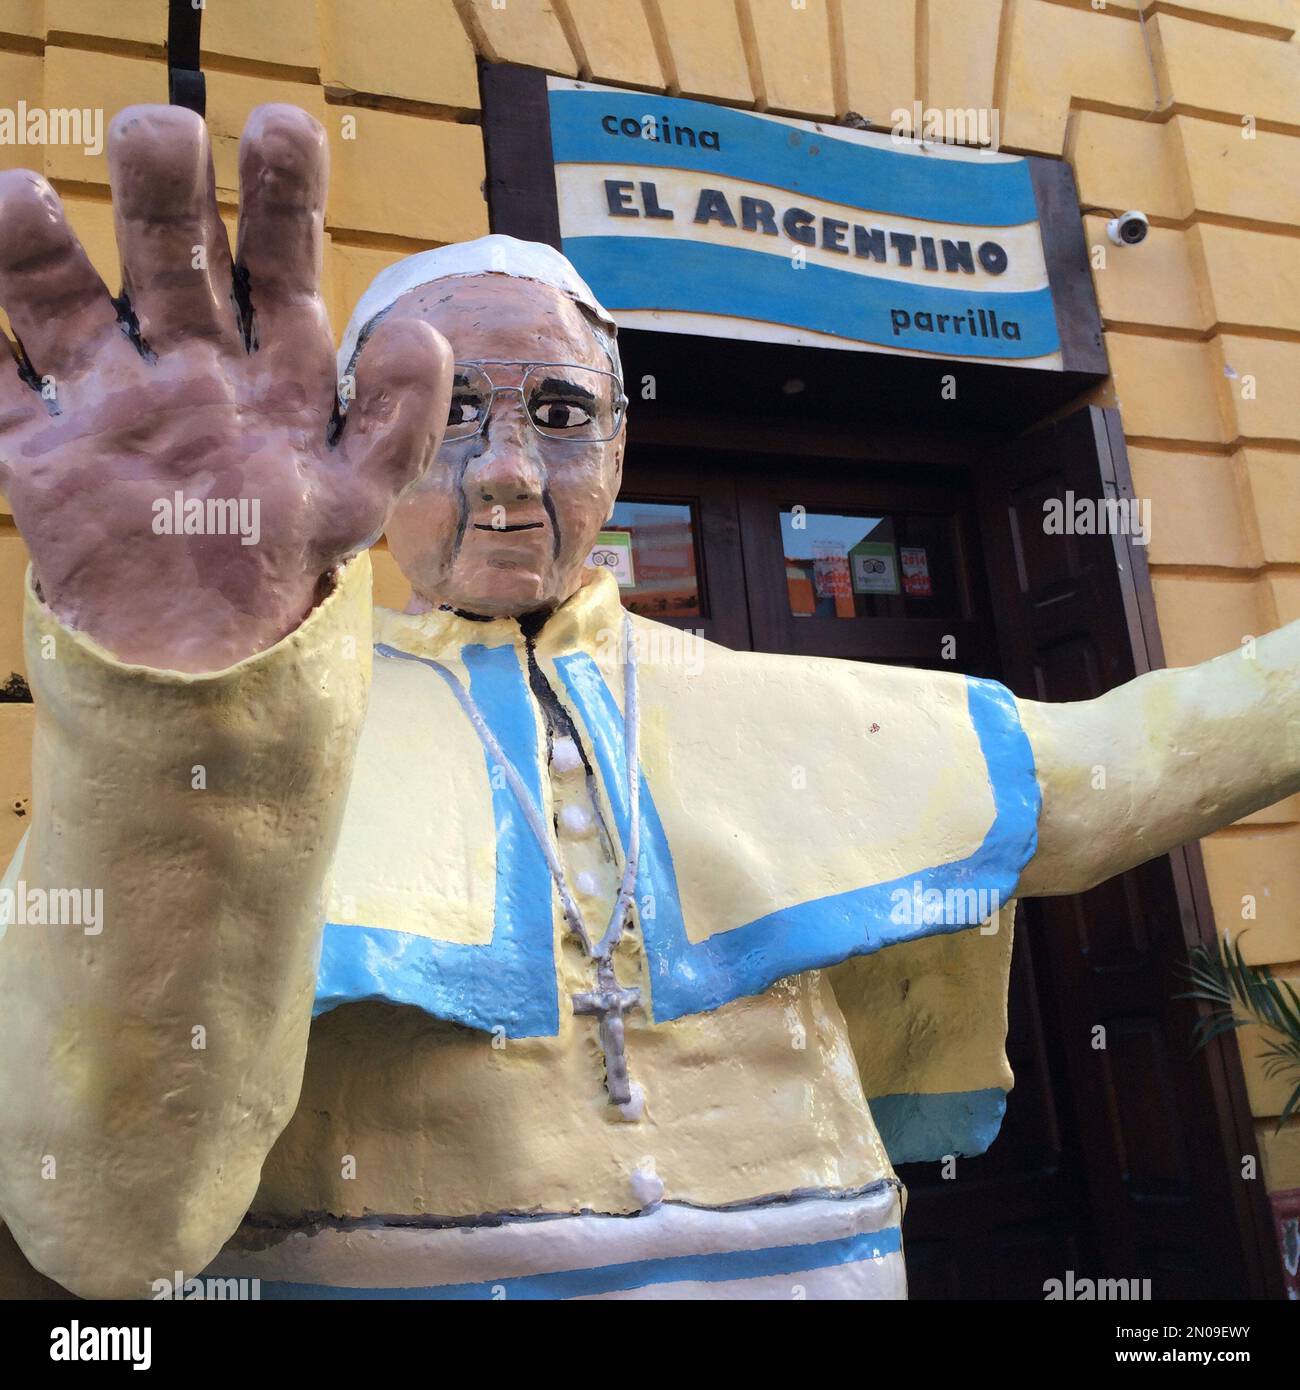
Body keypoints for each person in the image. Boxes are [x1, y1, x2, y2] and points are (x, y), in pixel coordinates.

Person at [0, 105, 1296, 1301]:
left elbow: (1122, 764)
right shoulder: (254, 733)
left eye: (561, 412)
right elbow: (106, 1232)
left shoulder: (788, 711)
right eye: (449, 416)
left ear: (619, 448)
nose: (508, 472)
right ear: (357, 445)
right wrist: (191, 698)